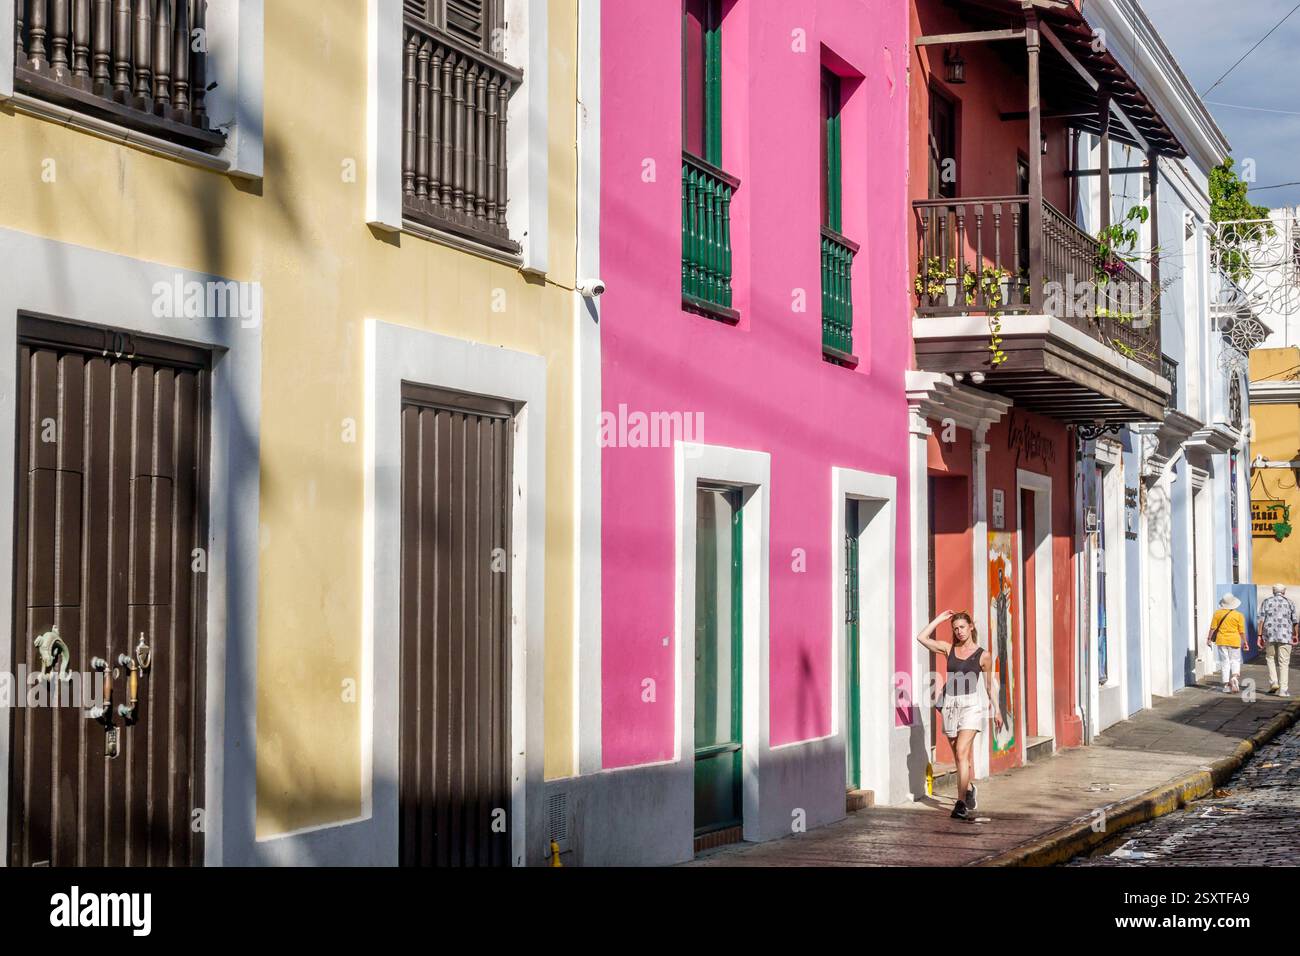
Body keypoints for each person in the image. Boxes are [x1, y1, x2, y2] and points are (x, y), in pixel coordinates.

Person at [916, 610, 1004, 820]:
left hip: (971, 705)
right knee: (958, 754)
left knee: (963, 752)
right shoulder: (949, 649)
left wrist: (997, 710)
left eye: (962, 627)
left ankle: (961, 803)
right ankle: (970, 788)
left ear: (971, 627)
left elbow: (989, 685)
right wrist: (940, 619)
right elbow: (921, 638)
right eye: (955, 628)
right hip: (950, 704)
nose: (959, 631)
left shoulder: (984, 656)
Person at [1256, 584, 1298, 698]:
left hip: (1269, 635)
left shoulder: (1266, 601)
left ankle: (1274, 682)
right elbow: (1294, 620)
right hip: (1285, 635)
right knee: (1284, 662)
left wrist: (1259, 635)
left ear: (1273, 591)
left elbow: (1261, 620)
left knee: (1270, 658)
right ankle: (1283, 690)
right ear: (1284, 592)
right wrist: (1296, 634)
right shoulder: (1289, 602)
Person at [1207, 593, 1247, 694]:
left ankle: (1226, 685)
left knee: (1225, 662)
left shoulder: (1217, 613)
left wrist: (1209, 639)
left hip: (1221, 640)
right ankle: (1234, 677)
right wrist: (1245, 642)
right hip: (1234, 640)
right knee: (1235, 660)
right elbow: (1241, 631)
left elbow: (1213, 628)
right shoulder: (1239, 615)